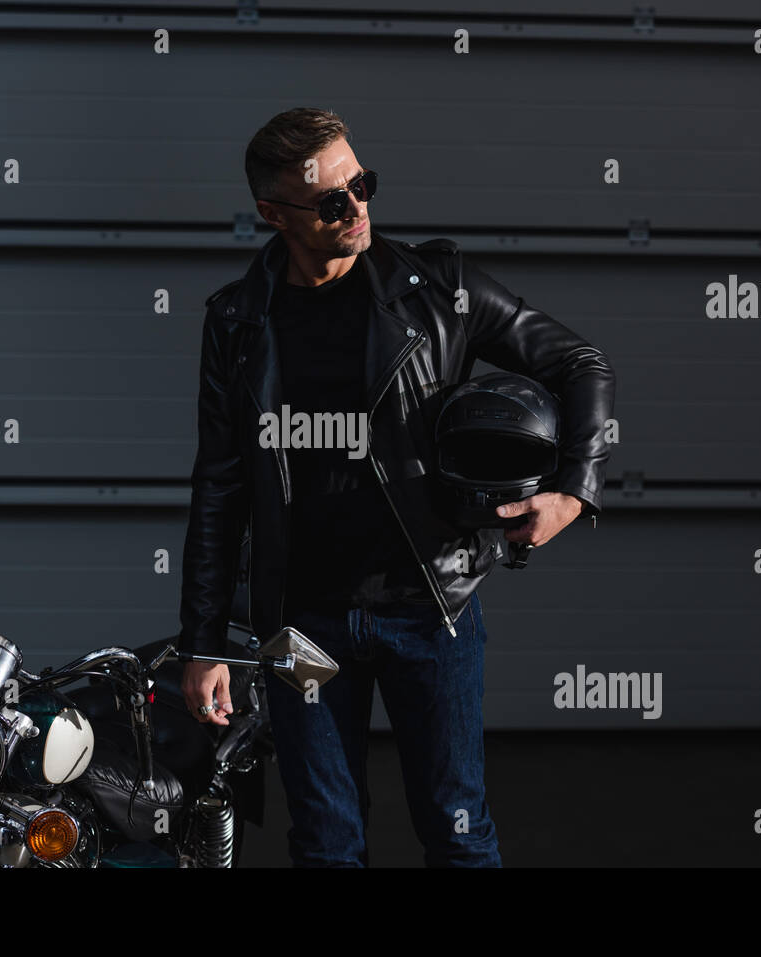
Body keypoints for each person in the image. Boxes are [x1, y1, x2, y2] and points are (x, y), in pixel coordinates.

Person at [177, 106, 616, 866]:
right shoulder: (239, 321)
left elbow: (582, 364)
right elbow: (219, 488)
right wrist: (204, 642)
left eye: (362, 184)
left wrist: (573, 490)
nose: (356, 208)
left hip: (430, 610)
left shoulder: (436, 289)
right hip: (299, 628)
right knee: (324, 842)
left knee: (457, 833)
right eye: (330, 200)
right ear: (272, 214)